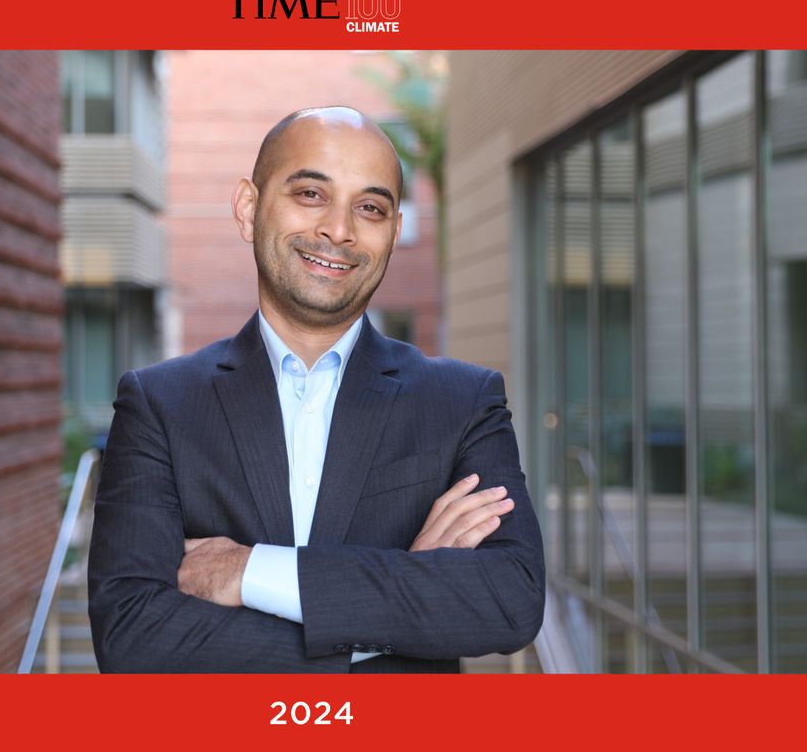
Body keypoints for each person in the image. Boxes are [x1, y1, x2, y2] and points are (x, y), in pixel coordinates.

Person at [88, 106, 544, 673]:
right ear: (249, 208)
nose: (339, 230)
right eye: (310, 194)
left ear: (394, 232)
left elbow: (509, 599)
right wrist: (398, 600)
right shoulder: (160, 404)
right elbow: (131, 637)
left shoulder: (462, 401)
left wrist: (251, 572)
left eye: (370, 207)